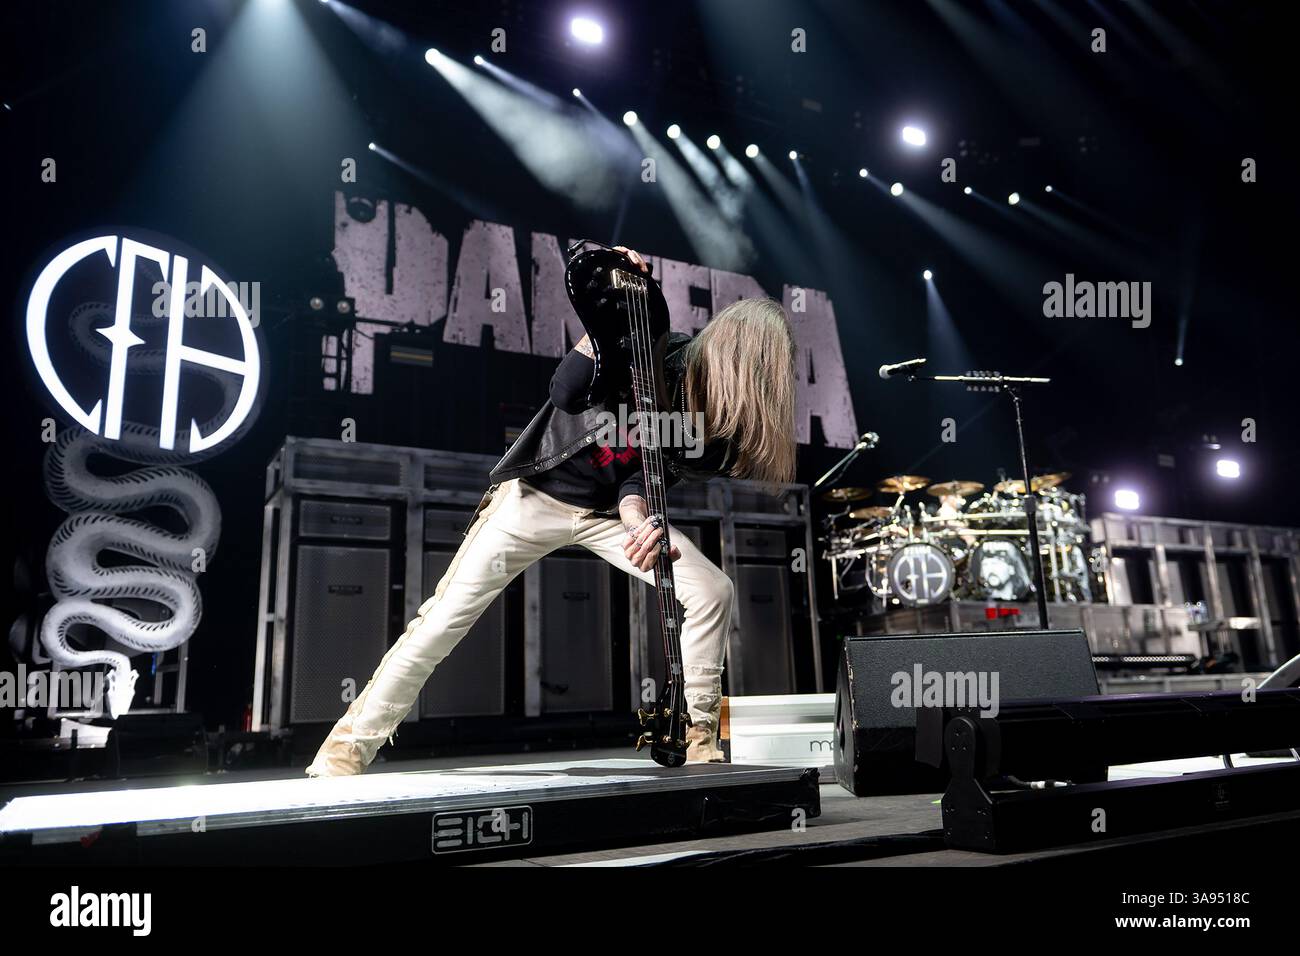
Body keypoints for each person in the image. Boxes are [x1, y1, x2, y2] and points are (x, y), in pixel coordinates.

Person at [307, 247, 797, 775]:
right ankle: (346, 747)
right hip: (536, 498)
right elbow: (566, 391)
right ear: (734, 355)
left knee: (711, 590)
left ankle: (697, 735)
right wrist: (608, 307)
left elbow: (641, 476)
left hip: (609, 516)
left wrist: (637, 521)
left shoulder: (715, 430)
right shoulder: (651, 350)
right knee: (442, 620)